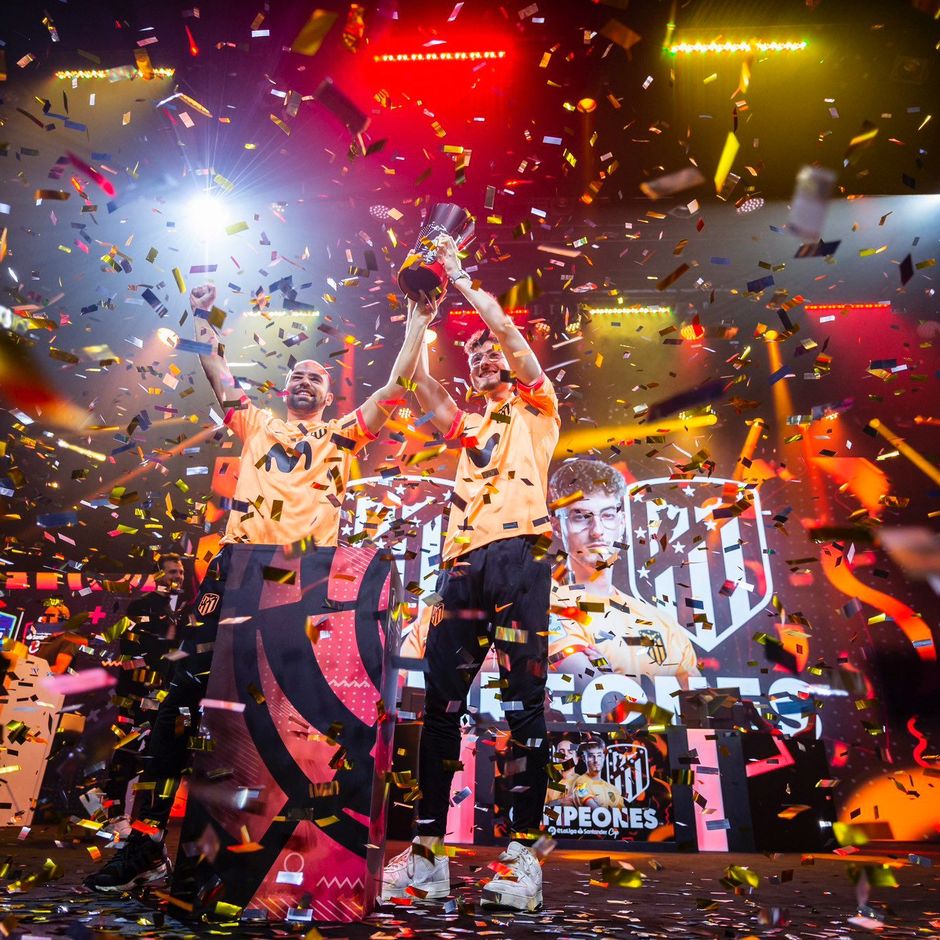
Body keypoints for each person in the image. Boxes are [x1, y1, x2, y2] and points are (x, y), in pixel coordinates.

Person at [84, 284, 434, 893]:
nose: (303, 380)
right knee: (179, 704)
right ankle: (145, 842)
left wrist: (418, 320)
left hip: (302, 580)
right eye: (296, 374)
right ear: (284, 388)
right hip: (236, 570)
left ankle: (291, 859)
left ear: (329, 394)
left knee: (284, 715)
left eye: (315, 377)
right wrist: (201, 318)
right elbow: (218, 374)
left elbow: (395, 386)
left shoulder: (343, 436)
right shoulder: (258, 425)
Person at [382, 236, 560, 912]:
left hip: (521, 556)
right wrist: (419, 321)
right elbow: (410, 383)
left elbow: (509, 333)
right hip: (461, 567)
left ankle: (522, 858)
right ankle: (428, 855)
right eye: (476, 355)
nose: (484, 357)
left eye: (492, 353)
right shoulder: (466, 427)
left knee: (523, 706)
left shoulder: (538, 408)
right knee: (440, 710)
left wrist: (457, 276)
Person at [547, 458, 699, 690]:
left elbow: (701, 706)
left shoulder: (662, 624)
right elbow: (599, 694)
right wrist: (610, 683)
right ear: (557, 526)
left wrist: (613, 679)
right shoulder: (544, 603)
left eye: (607, 515)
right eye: (581, 517)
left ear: (622, 523)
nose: (597, 531)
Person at [104, 554, 191, 822]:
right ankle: (114, 814)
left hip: (168, 695)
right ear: (158, 575)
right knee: (128, 750)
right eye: (172, 572)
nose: (178, 577)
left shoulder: (183, 612)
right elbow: (131, 649)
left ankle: (145, 819)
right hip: (137, 693)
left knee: (160, 755)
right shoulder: (141, 606)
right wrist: (151, 680)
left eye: (180, 572)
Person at [571, 738, 622, 809]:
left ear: (604, 757)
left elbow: (623, 813)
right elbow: (596, 810)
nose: (596, 760)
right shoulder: (580, 782)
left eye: (599, 755)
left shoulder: (612, 789)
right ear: (584, 758)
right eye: (591, 756)